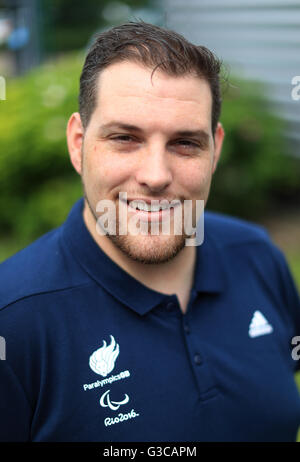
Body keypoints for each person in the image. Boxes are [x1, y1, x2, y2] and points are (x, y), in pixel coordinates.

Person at [0, 21, 300, 443]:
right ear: (78, 143)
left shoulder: (257, 257)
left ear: (215, 149)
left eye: (185, 143)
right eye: (125, 138)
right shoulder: (13, 320)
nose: (156, 176)